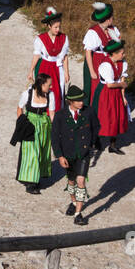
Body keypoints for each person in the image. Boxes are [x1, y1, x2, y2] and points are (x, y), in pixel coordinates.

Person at [51, 84, 98, 225]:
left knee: (81, 181)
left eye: (82, 99)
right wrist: (59, 156)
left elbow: (96, 127)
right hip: (68, 154)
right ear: (70, 101)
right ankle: (73, 202)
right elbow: (54, 137)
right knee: (71, 181)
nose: (81, 102)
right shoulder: (60, 115)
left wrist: (92, 143)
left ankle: (78, 213)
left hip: (83, 153)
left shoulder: (89, 112)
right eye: (78, 100)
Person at [15, 73, 55, 195]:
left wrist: (52, 128)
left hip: (43, 124)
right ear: (42, 84)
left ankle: (36, 178)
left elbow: (52, 113)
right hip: (30, 124)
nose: (51, 86)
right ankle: (30, 183)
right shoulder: (27, 93)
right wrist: (22, 123)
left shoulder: (50, 95)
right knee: (31, 152)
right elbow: (19, 108)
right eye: (49, 84)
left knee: (42, 151)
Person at [92, 37, 128, 155]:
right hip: (105, 93)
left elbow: (122, 78)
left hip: (116, 92)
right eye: (122, 53)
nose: (124, 54)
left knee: (116, 117)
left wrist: (123, 97)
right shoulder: (106, 65)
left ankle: (112, 145)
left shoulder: (122, 64)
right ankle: (95, 140)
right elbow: (110, 84)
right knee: (102, 117)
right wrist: (121, 84)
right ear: (114, 54)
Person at [31, 7, 70, 114]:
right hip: (45, 66)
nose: (58, 29)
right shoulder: (41, 39)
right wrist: (31, 71)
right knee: (44, 89)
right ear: (49, 26)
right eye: (55, 27)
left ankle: (57, 115)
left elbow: (65, 56)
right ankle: (43, 112)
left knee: (58, 92)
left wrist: (66, 72)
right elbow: (36, 56)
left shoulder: (63, 38)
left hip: (58, 68)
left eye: (59, 27)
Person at [82, 4, 121, 100]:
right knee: (98, 88)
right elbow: (88, 52)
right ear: (108, 19)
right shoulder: (93, 32)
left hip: (111, 61)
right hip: (97, 62)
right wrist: (92, 71)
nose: (113, 18)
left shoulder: (113, 29)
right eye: (112, 17)